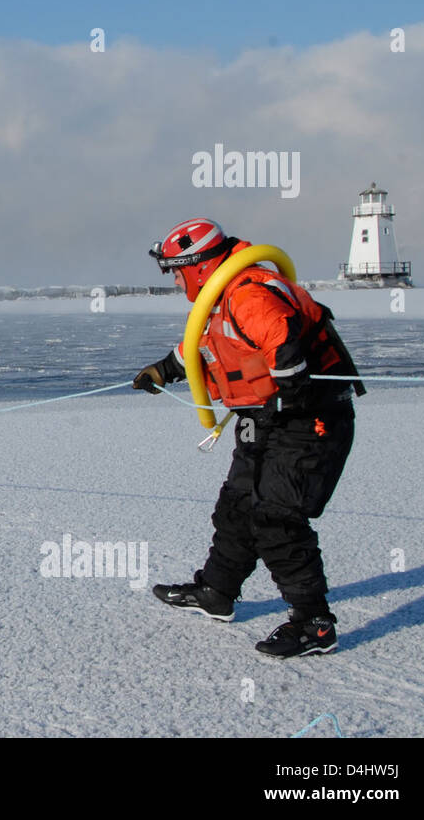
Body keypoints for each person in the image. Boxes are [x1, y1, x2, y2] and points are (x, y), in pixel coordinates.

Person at [133, 218, 364, 657]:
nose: (175, 278)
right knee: (237, 507)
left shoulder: (247, 293)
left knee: (276, 518)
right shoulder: (218, 298)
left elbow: (284, 345)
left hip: (310, 423)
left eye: (177, 270)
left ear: (199, 264)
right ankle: (216, 593)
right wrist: (161, 371)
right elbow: (202, 346)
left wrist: (289, 398)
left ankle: (314, 623)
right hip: (265, 421)